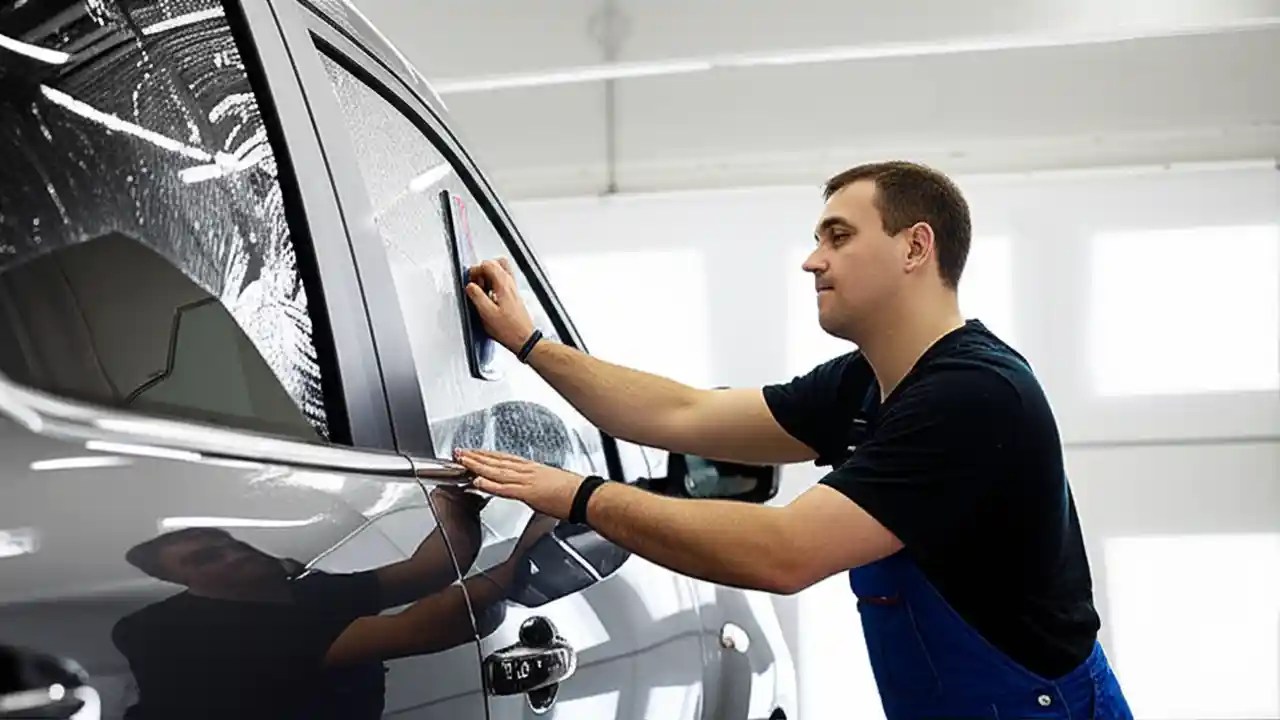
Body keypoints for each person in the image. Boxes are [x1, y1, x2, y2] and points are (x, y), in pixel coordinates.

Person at [456, 161, 1133, 719]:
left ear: (915, 247)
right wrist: (530, 344)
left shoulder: (972, 398)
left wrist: (582, 497)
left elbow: (783, 554)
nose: (813, 261)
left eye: (838, 236)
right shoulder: (866, 383)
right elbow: (684, 413)